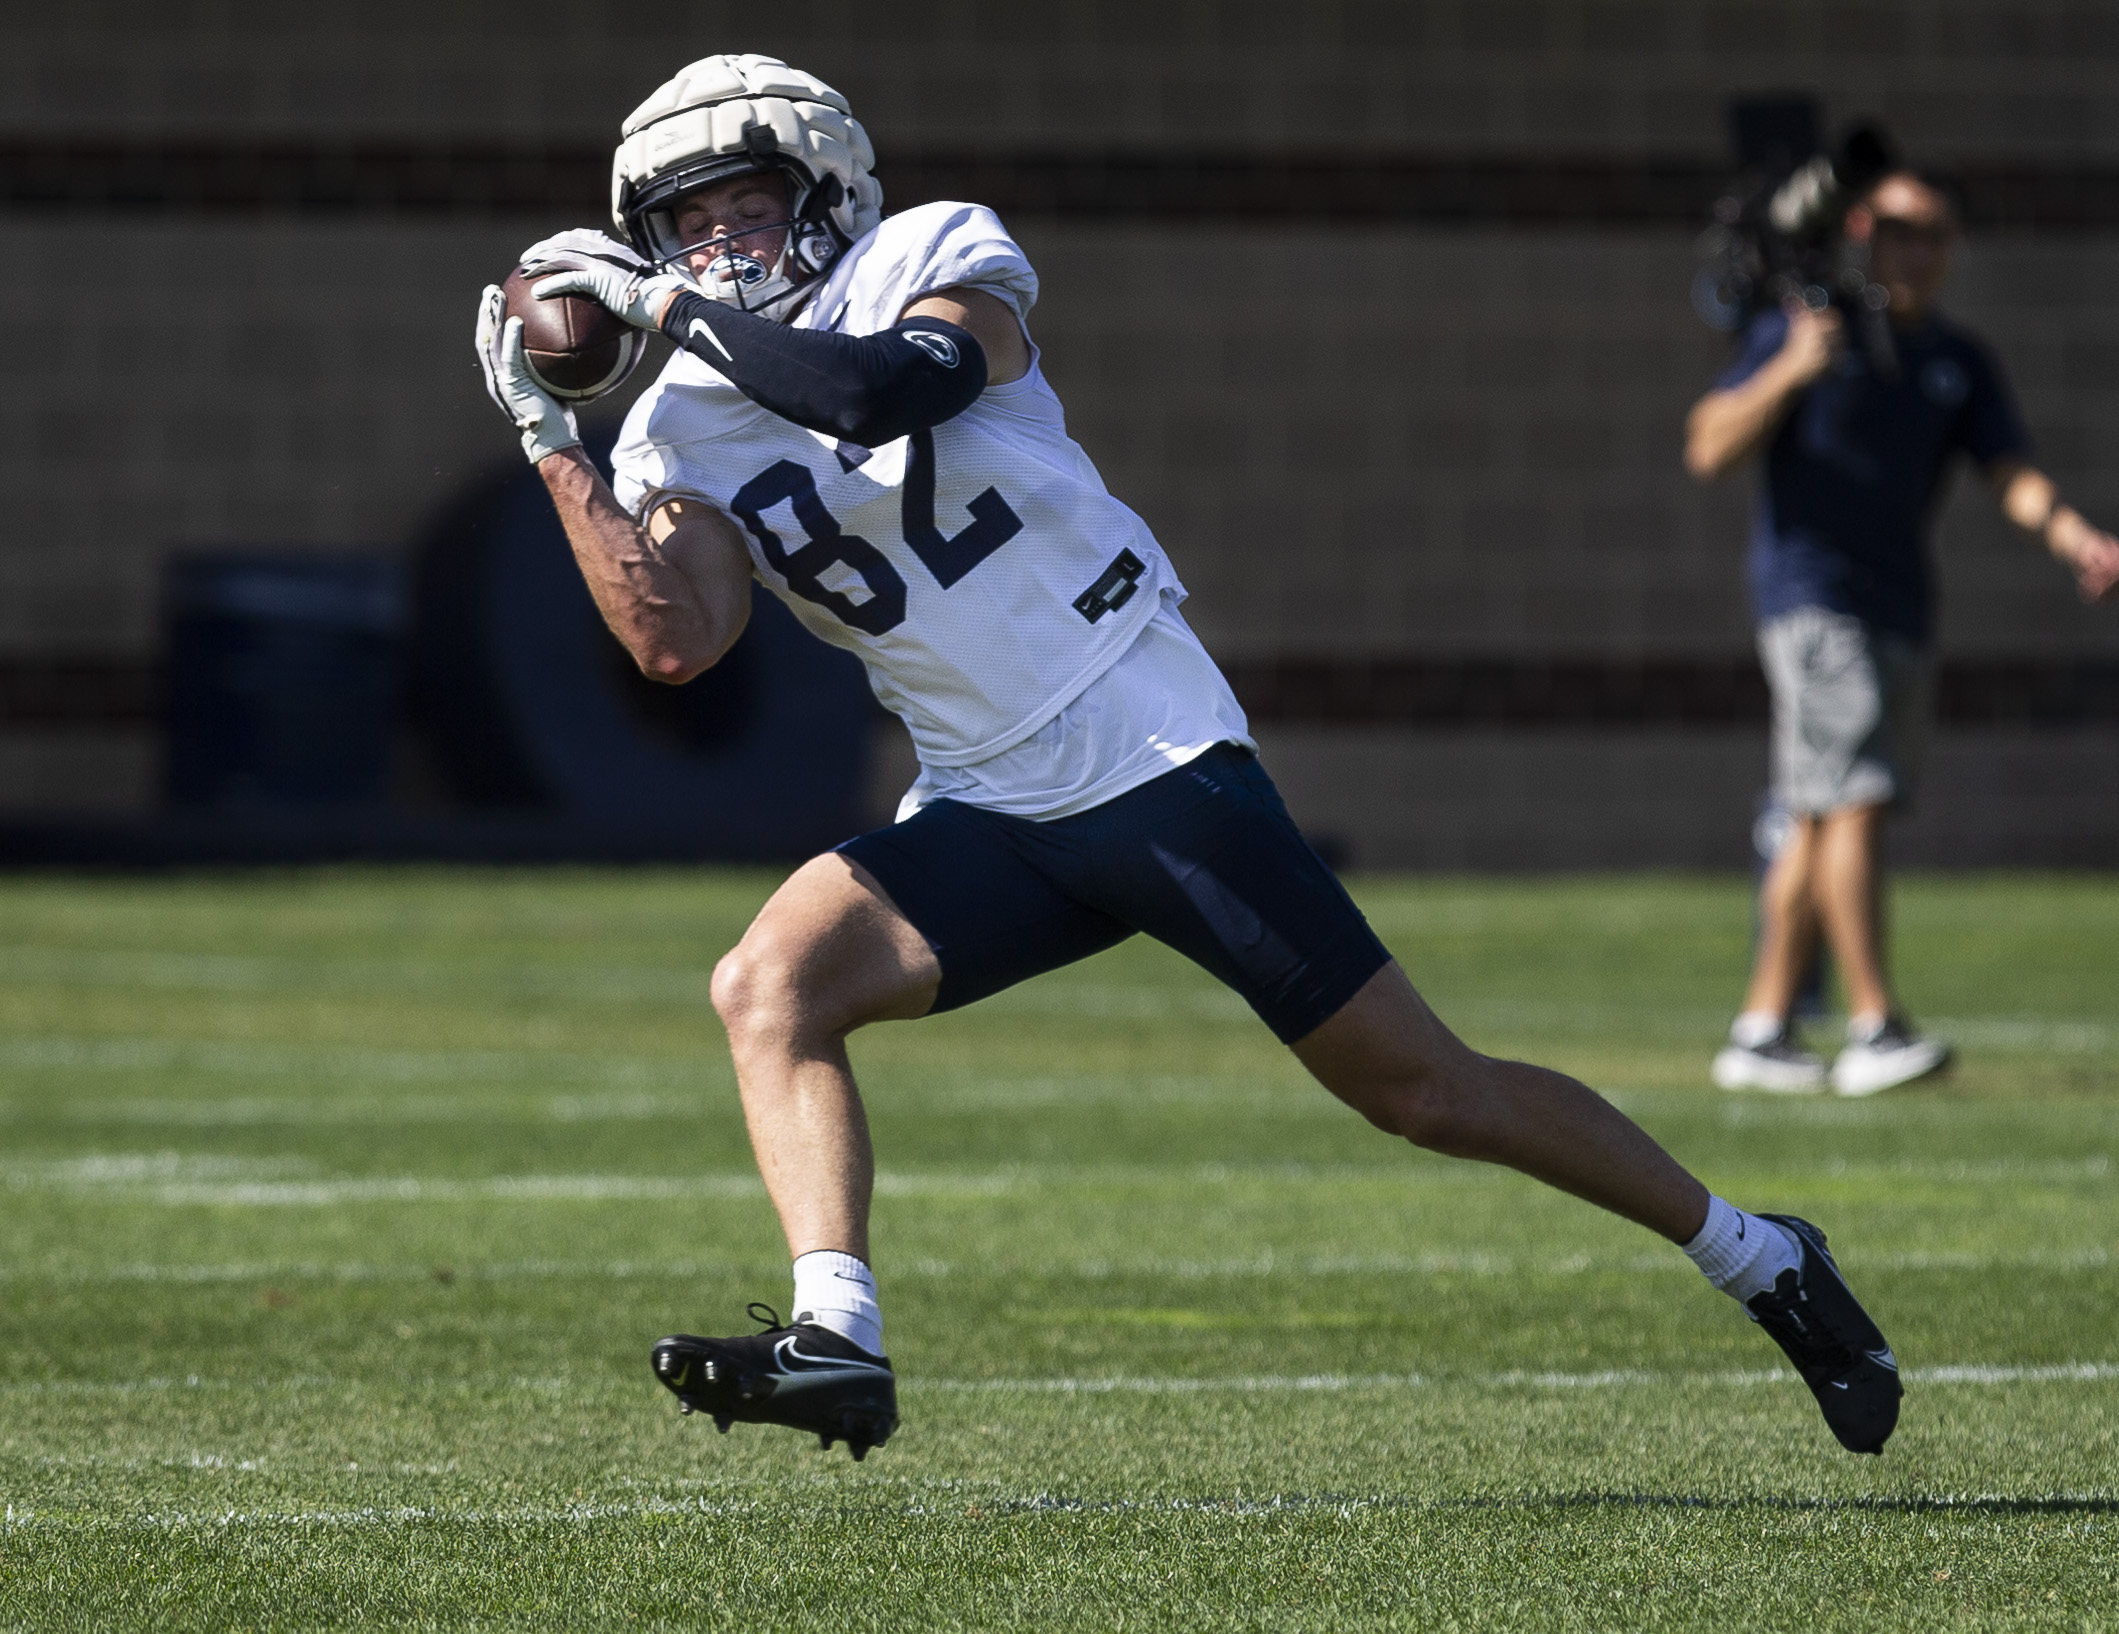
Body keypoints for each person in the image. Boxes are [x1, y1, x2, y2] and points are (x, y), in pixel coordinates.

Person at [474, 54, 1902, 1462]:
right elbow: (677, 638)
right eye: (684, 225)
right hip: (984, 796)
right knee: (768, 984)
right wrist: (553, 442)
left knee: (1424, 1092)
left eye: (746, 207)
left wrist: (664, 308)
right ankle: (835, 1334)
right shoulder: (675, 424)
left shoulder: (930, 251)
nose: (719, 247)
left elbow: (874, 392)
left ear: (828, 188)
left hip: (1142, 743)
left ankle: (1755, 1252)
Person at [1686, 170, 2119, 1098]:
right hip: (1810, 601)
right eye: (1895, 229)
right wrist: (1794, 367)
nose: (1914, 248)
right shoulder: (1809, 331)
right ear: (1860, 235)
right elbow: (1709, 444)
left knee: (1815, 809)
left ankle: (1759, 1031)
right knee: (1856, 801)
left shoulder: (1953, 358)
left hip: (1900, 607)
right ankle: (1874, 1022)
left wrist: (2072, 534)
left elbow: (2009, 471)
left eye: (1931, 233)